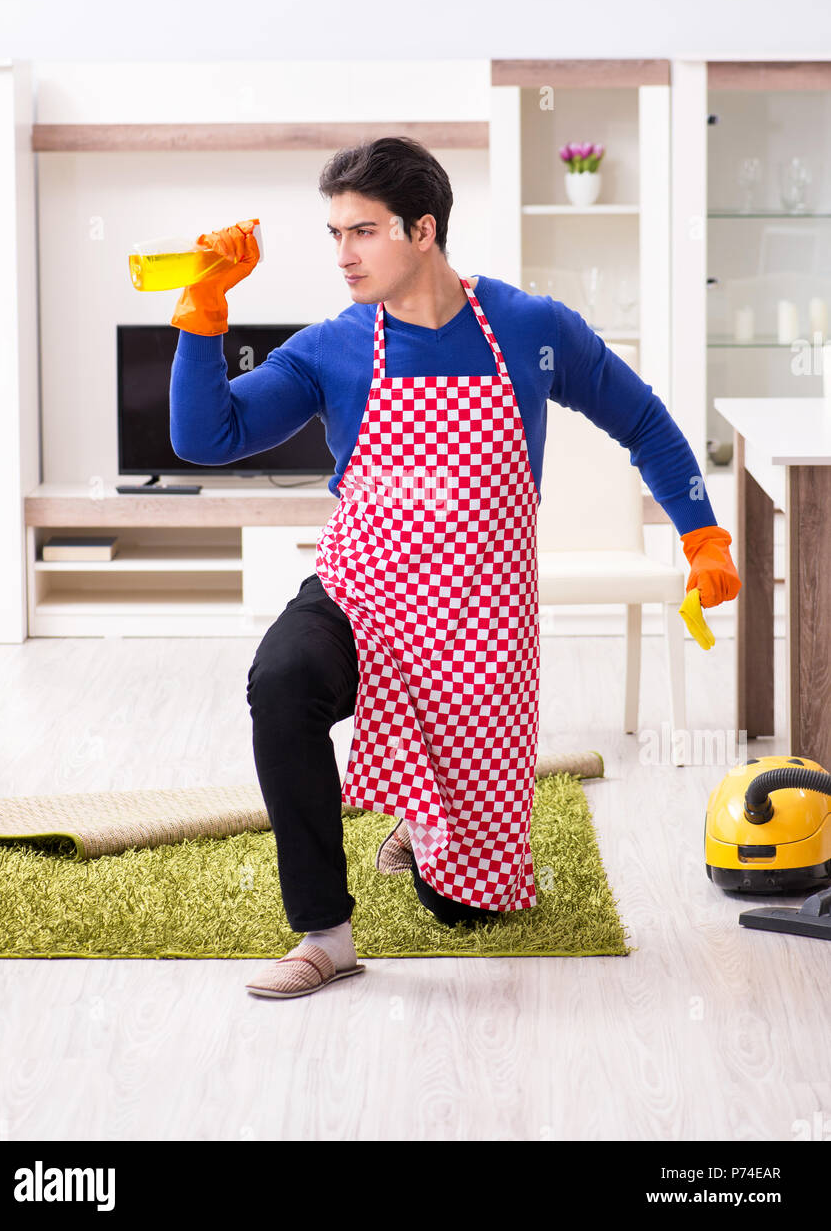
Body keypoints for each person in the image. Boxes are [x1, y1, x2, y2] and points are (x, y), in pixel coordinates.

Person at [168, 136, 742, 1000]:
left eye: (362, 231)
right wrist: (203, 314)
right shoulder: (332, 347)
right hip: (359, 594)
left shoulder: (528, 329)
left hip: (478, 629)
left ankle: (423, 830)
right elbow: (205, 438)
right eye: (334, 234)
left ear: (423, 229)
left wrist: (701, 536)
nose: (344, 255)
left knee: (465, 910)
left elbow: (648, 423)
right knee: (280, 683)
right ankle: (324, 934)